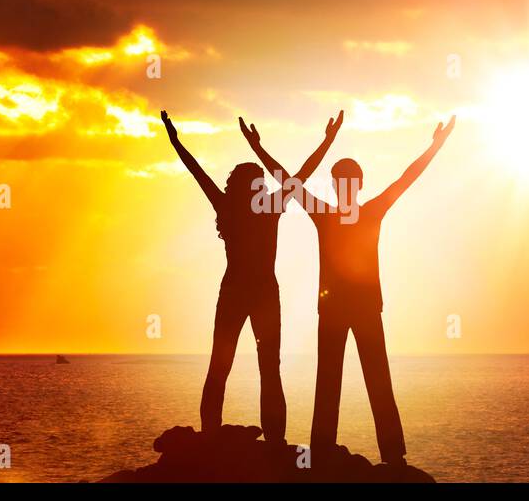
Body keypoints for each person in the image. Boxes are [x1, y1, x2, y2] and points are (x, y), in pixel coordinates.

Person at [246, 115, 455, 465]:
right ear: (339, 184)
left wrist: (436, 145)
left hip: (359, 308)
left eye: (348, 181)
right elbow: (289, 181)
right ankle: (337, 450)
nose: (344, 186)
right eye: (340, 181)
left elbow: (407, 178)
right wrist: (258, 149)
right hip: (340, 308)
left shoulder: (356, 213)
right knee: (338, 380)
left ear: (356, 185)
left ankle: (383, 453)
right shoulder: (335, 214)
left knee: (370, 379)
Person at [163, 109, 343, 444]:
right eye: (258, 181)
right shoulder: (266, 207)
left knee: (225, 366)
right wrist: (327, 140)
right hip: (258, 294)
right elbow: (300, 175)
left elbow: (198, 172)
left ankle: (217, 439)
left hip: (238, 292)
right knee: (264, 369)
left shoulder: (233, 206)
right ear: (253, 186)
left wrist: (176, 142)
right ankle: (272, 443)